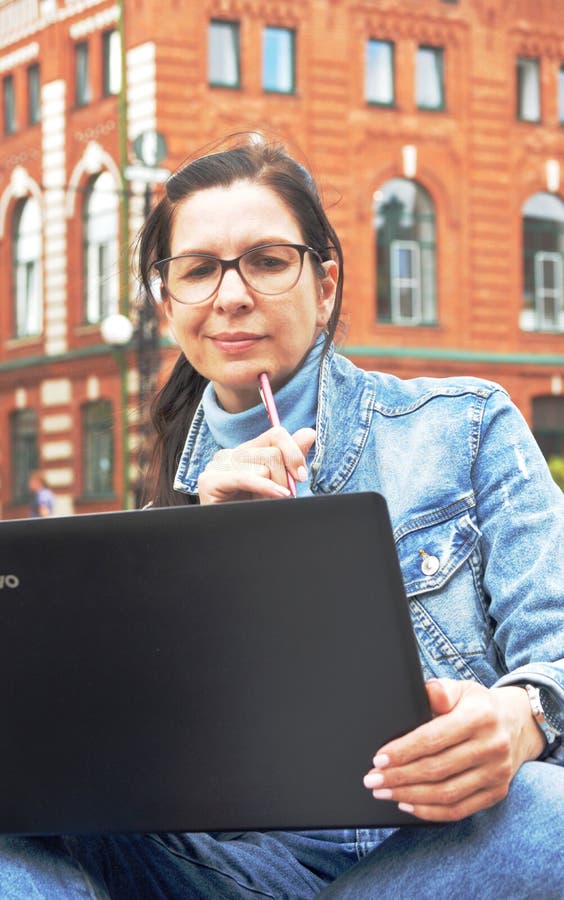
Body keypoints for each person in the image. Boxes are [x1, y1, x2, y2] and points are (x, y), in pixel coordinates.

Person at [0, 134, 562, 898]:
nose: (232, 295)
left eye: (267, 261)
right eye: (198, 270)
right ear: (169, 306)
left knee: (544, 805)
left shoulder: (466, 427)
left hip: (448, 855)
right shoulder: (156, 520)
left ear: (324, 284)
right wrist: (200, 544)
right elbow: (140, 774)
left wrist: (519, 719)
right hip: (234, 875)